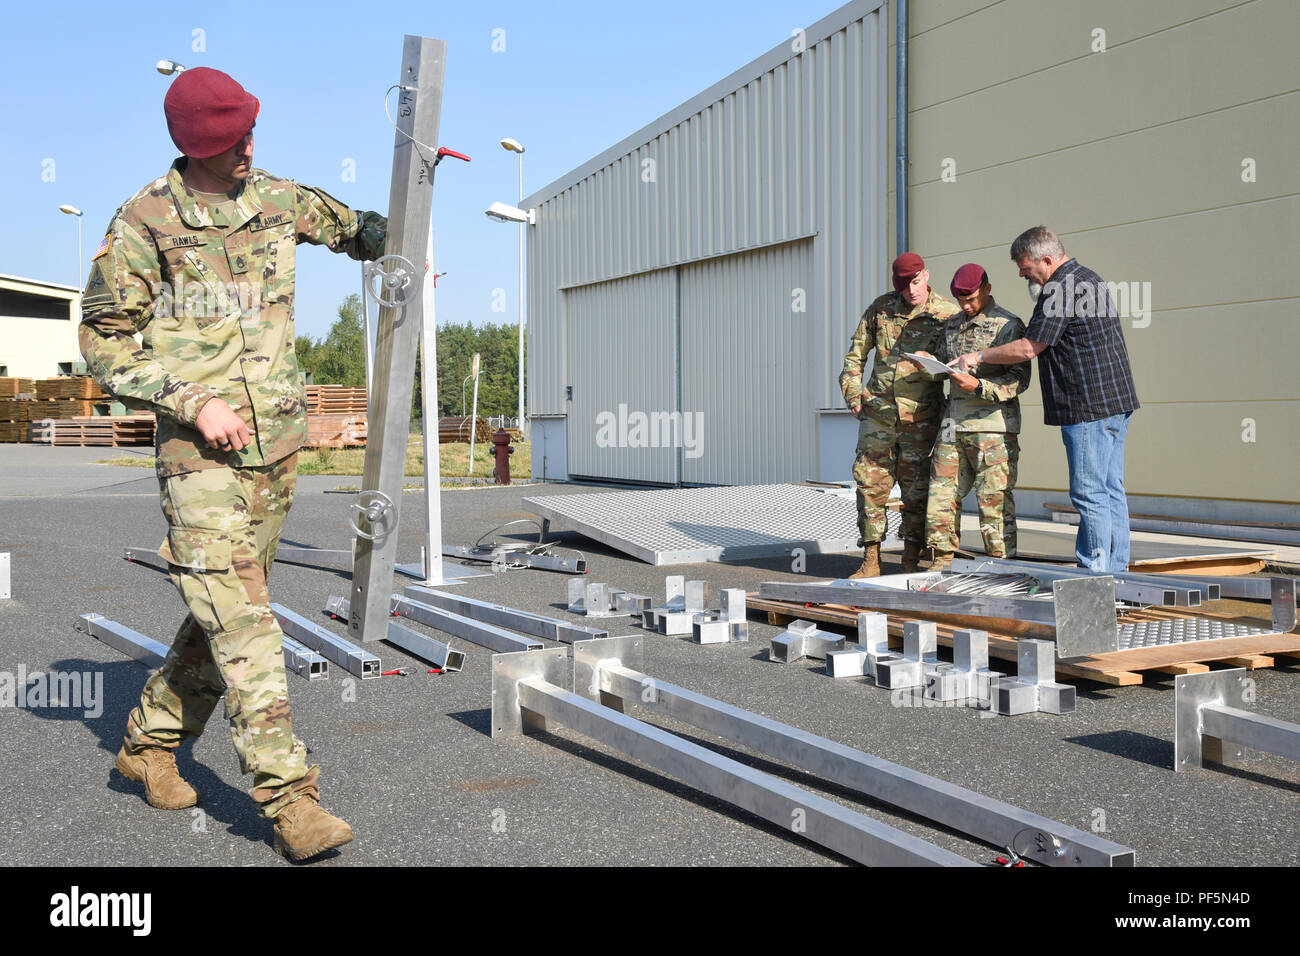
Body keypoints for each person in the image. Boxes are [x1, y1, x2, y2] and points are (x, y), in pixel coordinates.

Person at [79, 67, 387, 861]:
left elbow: (355, 227)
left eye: (252, 131)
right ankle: (291, 801)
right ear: (198, 146)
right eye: (234, 139)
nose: (250, 146)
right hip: (199, 459)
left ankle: (147, 744)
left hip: (276, 449)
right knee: (248, 628)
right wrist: (189, 396)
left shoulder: (277, 198)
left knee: (221, 616)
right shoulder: (147, 219)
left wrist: (391, 224)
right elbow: (102, 341)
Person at [953, 227, 1139, 571]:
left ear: (1048, 260)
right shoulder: (1088, 277)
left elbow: (1029, 346)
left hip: (1088, 407)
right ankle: (1117, 573)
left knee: (1089, 494)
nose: (1022, 274)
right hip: (1116, 403)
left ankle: (1094, 577)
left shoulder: (1060, 288)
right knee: (1110, 489)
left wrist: (977, 357)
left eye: (1026, 267)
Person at [840, 252, 960, 576]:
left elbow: (960, 369)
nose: (913, 292)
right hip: (878, 414)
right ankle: (871, 560)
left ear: (927, 275)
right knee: (869, 485)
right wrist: (854, 396)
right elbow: (854, 358)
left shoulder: (947, 314)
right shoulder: (881, 309)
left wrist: (934, 368)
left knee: (916, 490)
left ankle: (910, 560)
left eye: (917, 283)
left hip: (921, 418)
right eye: (906, 288)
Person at [917, 264, 1031, 569]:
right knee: (941, 496)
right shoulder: (952, 324)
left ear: (987, 289)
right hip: (953, 425)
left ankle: (1002, 568)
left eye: (971, 299)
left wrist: (979, 386)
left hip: (991, 429)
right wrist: (929, 363)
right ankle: (941, 562)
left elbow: (1019, 380)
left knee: (993, 501)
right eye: (960, 300)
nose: (965, 306)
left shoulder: (1008, 325)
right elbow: (943, 361)